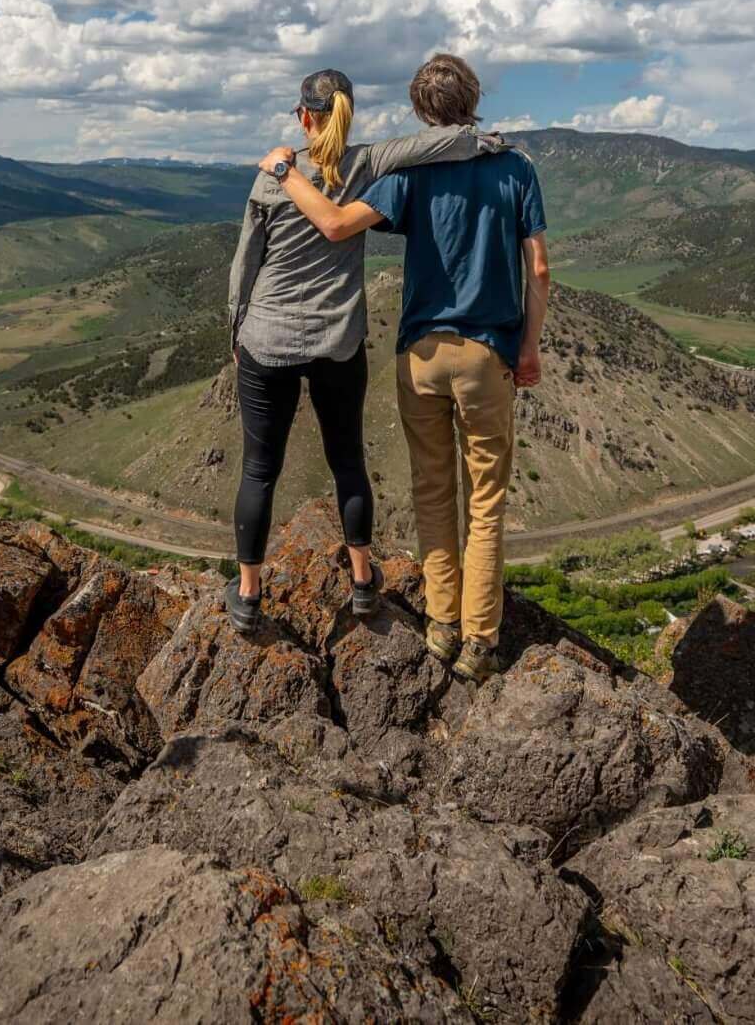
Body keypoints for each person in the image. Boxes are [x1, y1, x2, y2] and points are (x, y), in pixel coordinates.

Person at [268, 53, 548, 683]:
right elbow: (540, 268)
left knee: (431, 491)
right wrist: (528, 347)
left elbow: (338, 224)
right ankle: (480, 639)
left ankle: (440, 625)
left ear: (422, 111)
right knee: (487, 499)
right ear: (471, 99)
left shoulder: (413, 172)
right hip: (486, 354)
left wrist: (287, 170)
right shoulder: (516, 169)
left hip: (419, 354)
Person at [224, 68, 504, 634]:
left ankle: (249, 593)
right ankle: (360, 581)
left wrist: (236, 331)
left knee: (259, 469)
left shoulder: (275, 178)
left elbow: (244, 266)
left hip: (268, 339)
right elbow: (442, 139)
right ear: (349, 112)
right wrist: (485, 141)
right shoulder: (367, 165)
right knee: (347, 459)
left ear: (304, 117)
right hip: (337, 341)